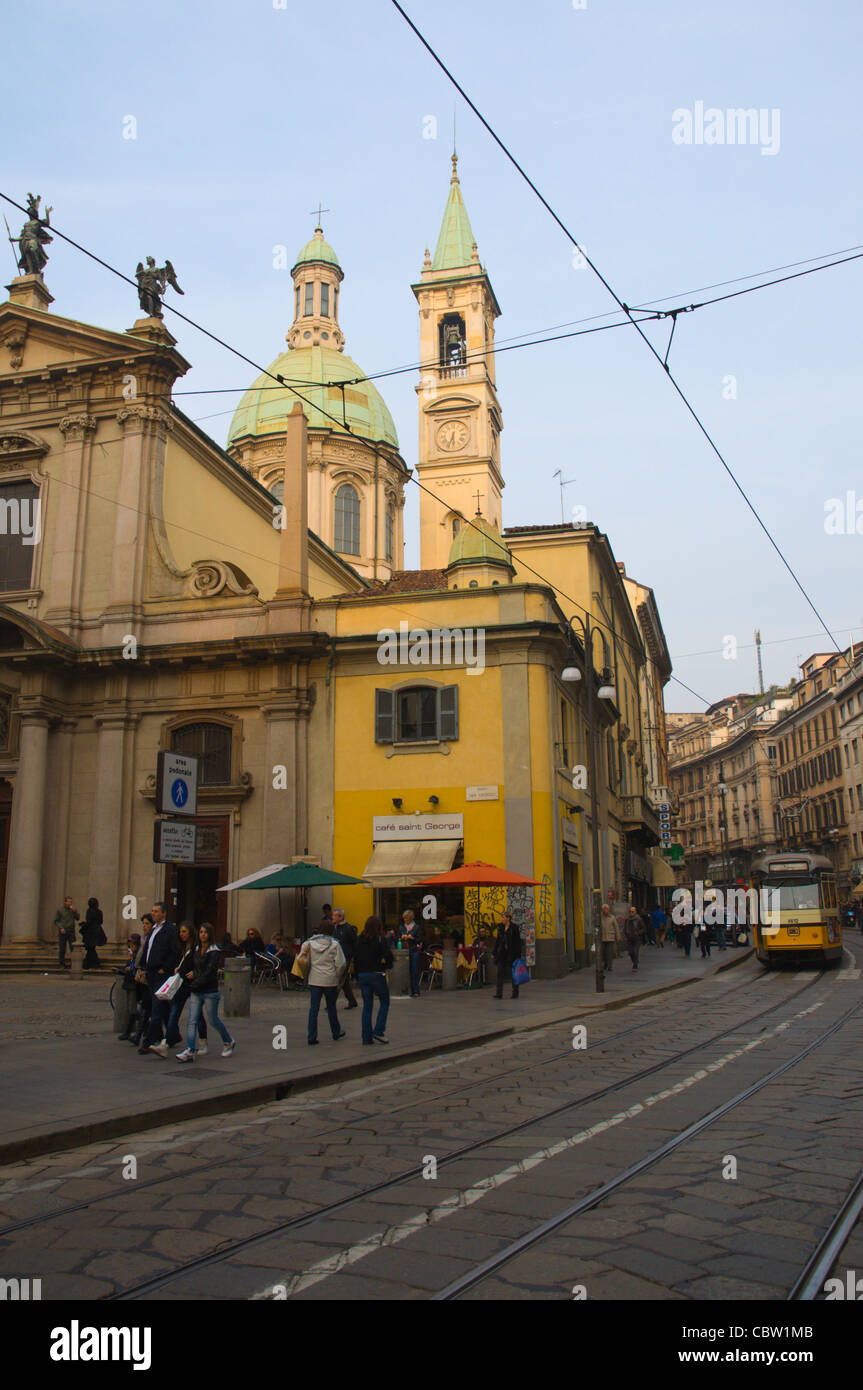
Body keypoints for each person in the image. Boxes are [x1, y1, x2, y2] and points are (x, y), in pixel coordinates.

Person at [176, 923, 235, 1062]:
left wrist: (195, 980)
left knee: (213, 1020)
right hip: (197, 991)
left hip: (209, 991)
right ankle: (190, 1050)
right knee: (192, 1020)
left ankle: (228, 1041)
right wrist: (191, 974)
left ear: (210, 934)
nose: (202, 935)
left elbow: (209, 971)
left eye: (205, 932)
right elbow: (195, 966)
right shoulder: (196, 949)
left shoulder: (214, 951)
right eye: (201, 932)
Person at [296, 922, 347, 1045]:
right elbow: (341, 963)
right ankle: (336, 1032)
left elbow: (300, 959)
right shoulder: (335, 944)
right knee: (331, 1007)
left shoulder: (309, 943)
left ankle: (311, 1036)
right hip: (330, 980)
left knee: (314, 1008)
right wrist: (337, 975)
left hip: (315, 979)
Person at [141, 901, 180, 1055]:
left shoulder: (170, 930)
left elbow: (174, 951)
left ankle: (148, 1041)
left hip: (161, 974)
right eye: (152, 911)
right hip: (150, 973)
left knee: (156, 1009)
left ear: (164, 913)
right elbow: (148, 948)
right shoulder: (153, 930)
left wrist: (165, 968)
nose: (153, 913)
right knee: (163, 1007)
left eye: (156, 911)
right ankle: (174, 1036)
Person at [165, 922, 208, 1053]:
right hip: (181, 985)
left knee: (198, 1015)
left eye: (184, 931)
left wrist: (195, 972)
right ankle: (166, 1041)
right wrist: (178, 968)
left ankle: (202, 1041)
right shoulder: (182, 947)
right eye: (180, 931)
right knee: (174, 1013)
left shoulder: (196, 948)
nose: (181, 934)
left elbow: (203, 964)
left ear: (190, 932)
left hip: (193, 985)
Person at [354, 916, 393, 1045]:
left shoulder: (359, 939)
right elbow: (388, 956)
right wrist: (386, 966)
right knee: (385, 1001)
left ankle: (366, 1037)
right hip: (376, 974)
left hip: (363, 975)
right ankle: (378, 1030)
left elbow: (356, 957)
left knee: (367, 1006)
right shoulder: (380, 939)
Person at [493, 910, 524, 999]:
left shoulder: (514, 928)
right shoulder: (501, 928)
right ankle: (499, 993)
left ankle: (515, 992)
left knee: (513, 974)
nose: (502, 919)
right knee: (500, 973)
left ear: (508, 918)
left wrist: (518, 955)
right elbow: (498, 940)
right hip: (502, 953)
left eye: (503, 917)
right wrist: (494, 952)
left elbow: (517, 942)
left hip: (512, 953)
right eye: (502, 917)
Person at [331, 908, 358, 1009]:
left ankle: (331, 1002)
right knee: (344, 980)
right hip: (336, 957)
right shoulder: (335, 928)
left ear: (340, 917)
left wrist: (353, 957)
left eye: (334, 915)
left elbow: (354, 943)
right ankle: (352, 1001)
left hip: (346, 957)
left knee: (339, 979)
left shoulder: (348, 928)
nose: (332, 917)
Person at [401, 908, 423, 997]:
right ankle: (406, 989)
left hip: (413, 950)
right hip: (404, 951)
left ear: (410, 918)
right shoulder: (402, 927)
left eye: (406, 918)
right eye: (404, 918)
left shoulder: (416, 927)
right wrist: (402, 937)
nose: (405, 920)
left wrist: (412, 938)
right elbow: (397, 937)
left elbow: (420, 939)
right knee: (405, 971)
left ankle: (415, 990)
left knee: (414, 971)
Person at [54, 896, 79, 969]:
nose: (69, 903)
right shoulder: (60, 910)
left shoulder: (72, 910)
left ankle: (73, 963)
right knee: (62, 948)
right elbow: (56, 920)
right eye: (68, 902)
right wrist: (61, 927)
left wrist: (75, 912)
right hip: (63, 931)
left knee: (73, 948)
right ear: (65, 902)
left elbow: (77, 918)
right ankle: (61, 963)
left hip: (71, 931)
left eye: (71, 902)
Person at [81, 897, 105, 970]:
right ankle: (90, 964)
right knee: (91, 948)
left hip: (90, 932)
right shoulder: (99, 912)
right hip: (97, 931)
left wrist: (84, 925)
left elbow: (89, 921)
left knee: (90, 948)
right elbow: (101, 921)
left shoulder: (89, 911)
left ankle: (92, 963)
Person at [600, 904, 620, 973]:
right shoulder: (600, 917)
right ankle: (605, 964)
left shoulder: (612, 917)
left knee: (609, 952)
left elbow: (616, 927)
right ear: (602, 910)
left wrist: (618, 937)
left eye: (607, 909)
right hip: (602, 938)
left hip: (610, 938)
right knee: (603, 953)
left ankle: (610, 966)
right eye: (605, 909)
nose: (606, 910)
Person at [623, 907, 643, 971]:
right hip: (630, 938)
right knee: (630, 952)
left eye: (632, 911)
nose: (631, 913)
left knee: (635, 951)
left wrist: (638, 933)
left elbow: (643, 928)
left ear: (635, 912)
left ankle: (635, 965)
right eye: (630, 911)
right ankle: (635, 961)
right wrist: (626, 933)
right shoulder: (627, 920)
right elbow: (625, 928)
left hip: (637, 938)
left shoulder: (639, 919)